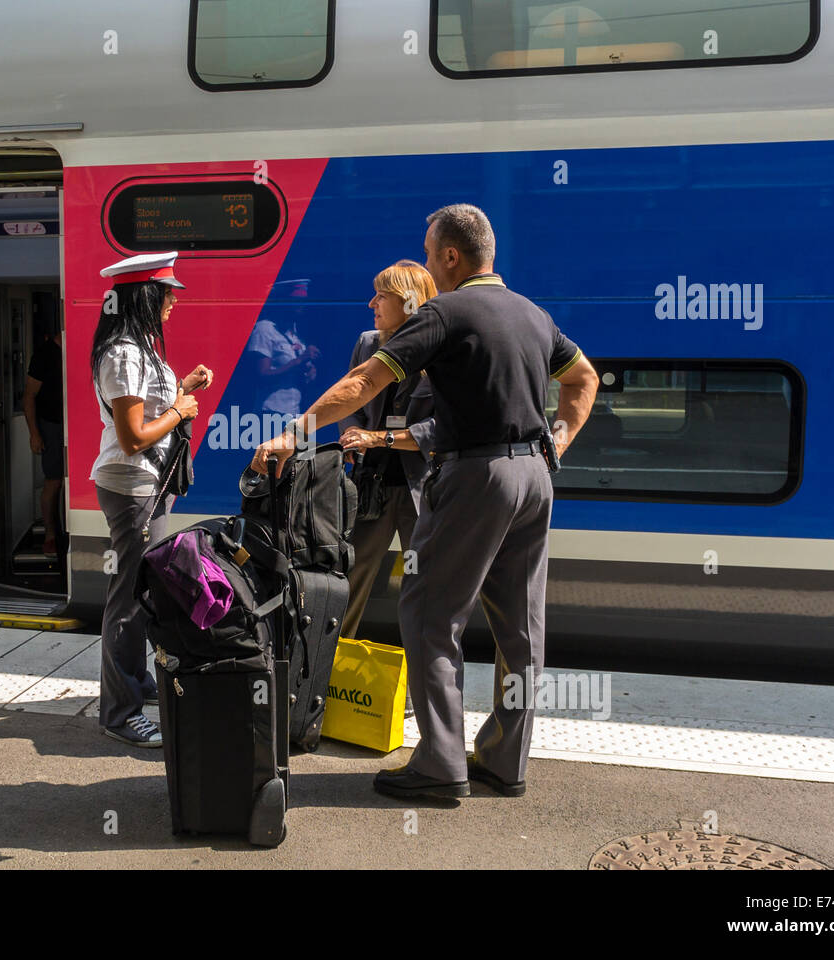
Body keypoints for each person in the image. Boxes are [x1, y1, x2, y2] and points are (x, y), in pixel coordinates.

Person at [252, 205, 599, 800]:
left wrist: (296, 432)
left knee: (432, 614)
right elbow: (584, 379)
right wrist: (558, 442)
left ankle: (441, 764)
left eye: (429, 250)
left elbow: (365, 382)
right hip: (534, 476)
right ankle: (503, 762)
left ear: (450, 257)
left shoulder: (446, 311)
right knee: (520, 626)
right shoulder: (533, 314)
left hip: (473, 477)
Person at [91, 252, 213, 748]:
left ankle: (136, 686)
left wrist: (180, 390)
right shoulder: (123, 352)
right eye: (166, 294)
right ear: (144, 297)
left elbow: (144, 417)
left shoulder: (137, 348)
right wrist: (182, 408)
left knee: (141, 593)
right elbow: (133, 436)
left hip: (147, 484)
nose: (173, 303)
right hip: (133, 483)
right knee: (129, 599)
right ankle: (120, 714)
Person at [337, 260, 438, 644]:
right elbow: (348, 402)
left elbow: (442, 429)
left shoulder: (438, 351)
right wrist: (352, 434)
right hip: (370, 488)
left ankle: (418, 687)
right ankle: (330, 679)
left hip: (422, 491)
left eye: (382, 296)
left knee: (422, 586)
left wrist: (378, 438)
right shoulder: (367, 343)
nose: (371, 303)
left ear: (410, 302)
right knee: (349, 580)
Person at [24, 328, 64, 560]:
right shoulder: (45, 354)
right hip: (51, 426)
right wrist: (34, 434)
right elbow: (28, 396)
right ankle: (50, 536)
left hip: (75, 427)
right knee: (54, 482)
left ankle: (65, 535)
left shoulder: (83, 349)